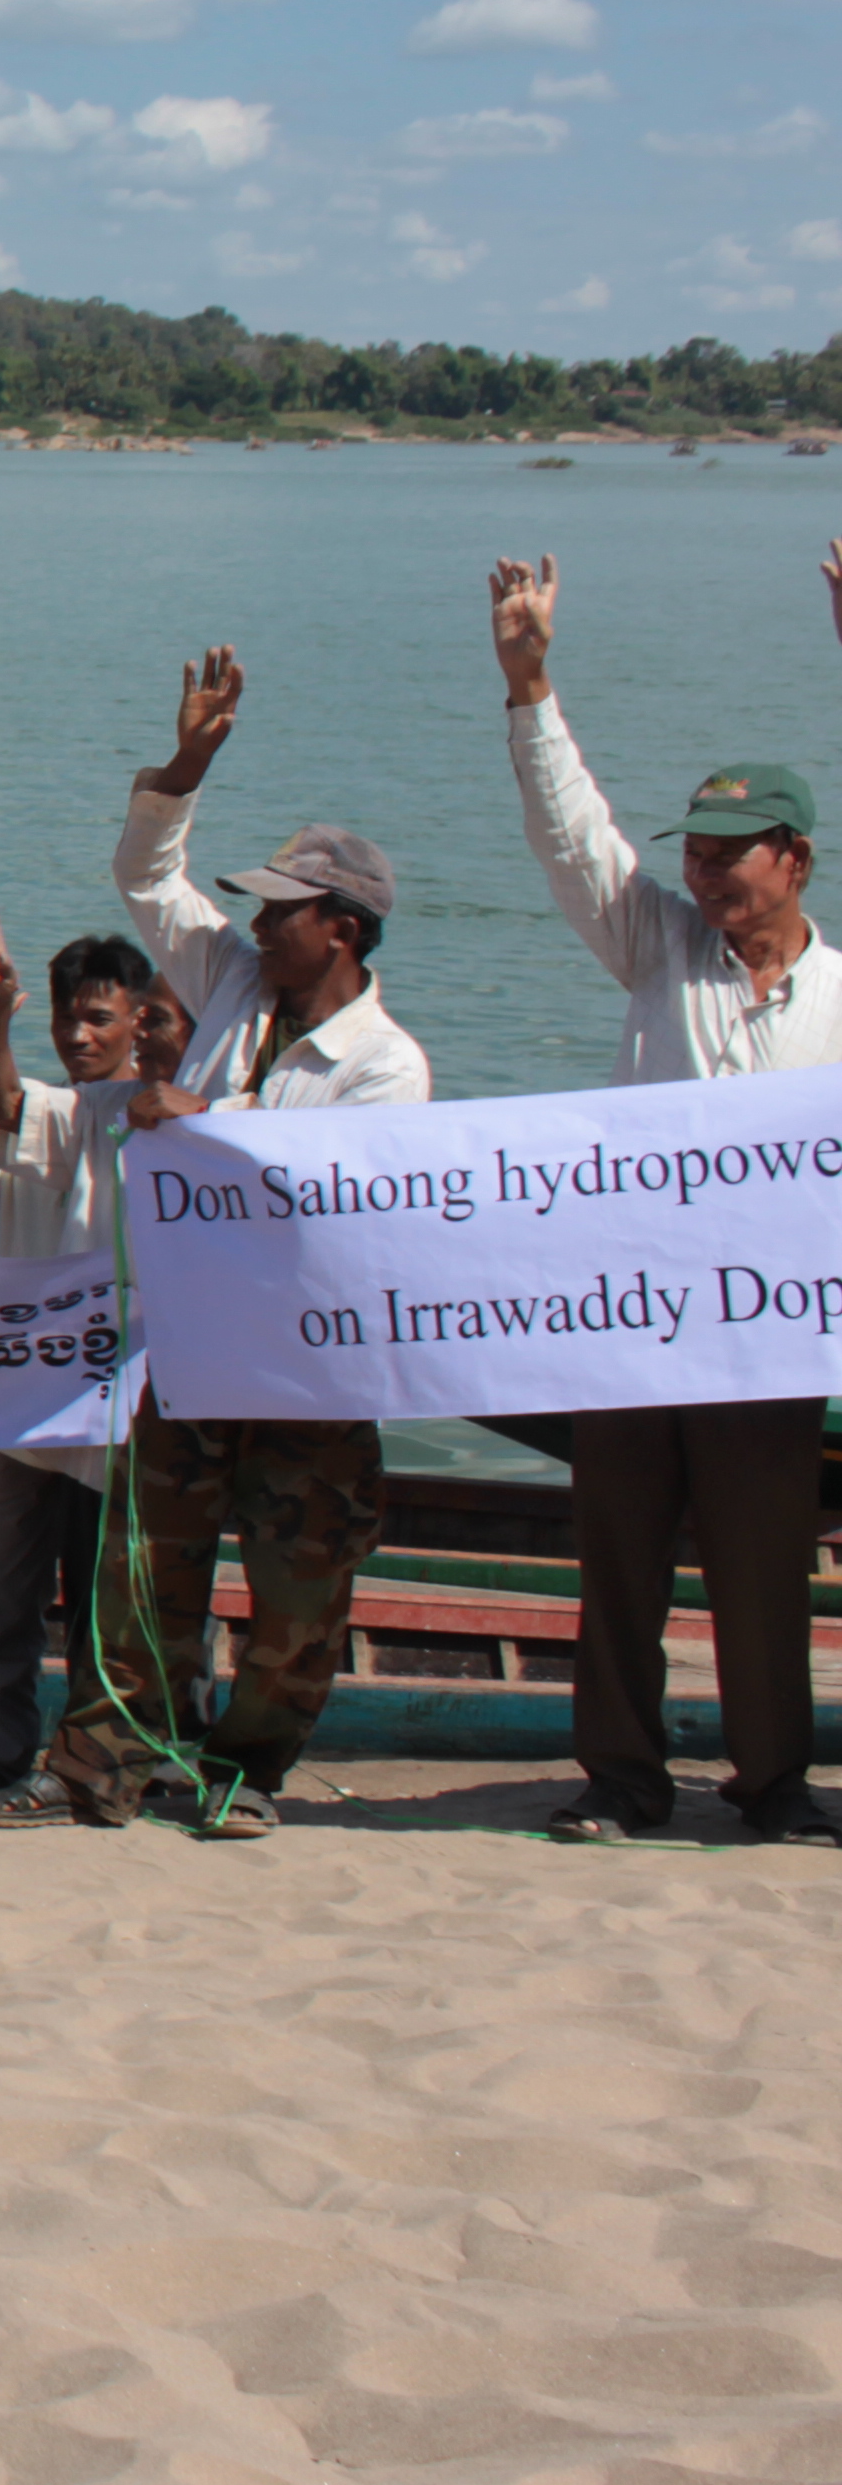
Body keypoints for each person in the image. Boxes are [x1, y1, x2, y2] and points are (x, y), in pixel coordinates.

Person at [49, 645, 433, 1836]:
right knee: (143, 1567)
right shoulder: (227, 984)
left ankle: (247, 1771)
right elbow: (144, 875)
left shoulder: (387, 1061)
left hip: (312, 1366)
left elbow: (339, 1190)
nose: (259, 923)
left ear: (347, 930)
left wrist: (206, 1117)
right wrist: (187, 764)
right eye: (260, 906)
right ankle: (113, 1763)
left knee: (297, 1584)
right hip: (198, 1345)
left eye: (286, 910)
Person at [497, 553, 842, 1849]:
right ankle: (624, 1781)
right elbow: (570, 831)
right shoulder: (655, 950)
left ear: (796, 859)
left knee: (763, 1579)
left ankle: (772, 1785)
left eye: (726, 860)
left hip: (769, 1337)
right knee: (619, 1566)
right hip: (632, 1321)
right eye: (690, 856)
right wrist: (529, 681)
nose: (700, 879)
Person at [0, 920, 157, 1826]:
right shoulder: (56, 1110)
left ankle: (104, 1766)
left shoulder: (168, 1117)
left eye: (99, 1018)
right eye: (68, 1018)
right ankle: (1, 1760)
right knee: (8, 1603)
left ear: (141, 1022)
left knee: (110, 1606)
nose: (79, 1035)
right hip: (24, 1401)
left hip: (120, 1401)